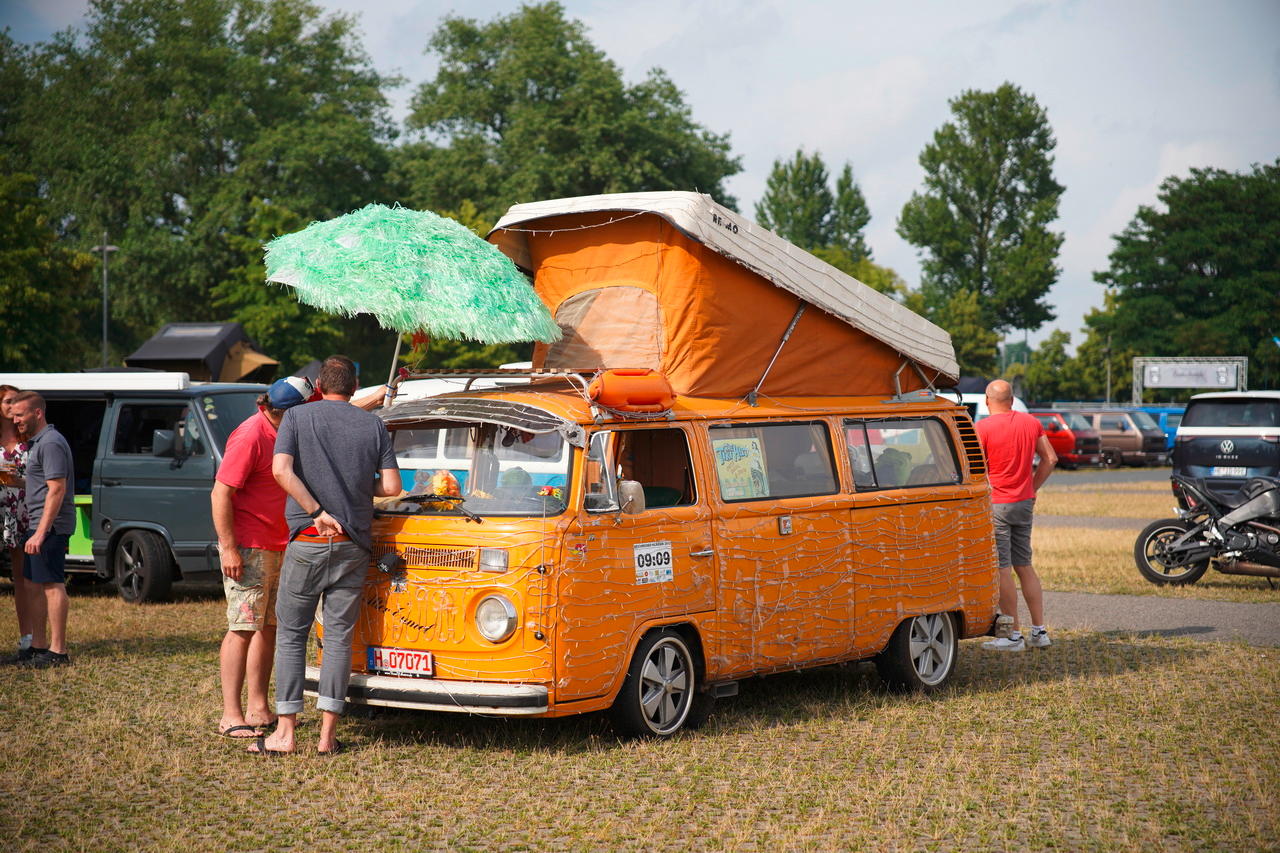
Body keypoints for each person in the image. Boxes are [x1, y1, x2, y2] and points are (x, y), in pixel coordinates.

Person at [249, 356, 399, 755]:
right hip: (353, 545)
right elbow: (391, 486)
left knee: (293, 635)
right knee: (338, 640)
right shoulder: (374, 424)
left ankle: (285, 733)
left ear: (319, 385)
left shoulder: (297, 419)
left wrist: (316, 511)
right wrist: (352, 485)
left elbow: (282, 471)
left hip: (310, 539)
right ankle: (327, 737)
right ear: (356, 385)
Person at [211, 376, 314, 738]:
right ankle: (230, 715)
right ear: (288, 412)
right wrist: (229, 548)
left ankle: (258, 708)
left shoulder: (283, 427)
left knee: (268, 626)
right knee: (242, 627)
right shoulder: (251, 435)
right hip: (251, 547)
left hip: (280, 544)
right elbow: (221, 493)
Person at [976, 380, 1057, 652]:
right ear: (1012, 400)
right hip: (1024, 502)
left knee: (1002, 567)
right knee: (1025, 564)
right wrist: (1032, 488)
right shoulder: (1031, 423)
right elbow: (1051, 458)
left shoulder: (982, 428)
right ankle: (1040, 631)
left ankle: (1012, 636)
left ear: (988, 401)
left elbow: (975, 470)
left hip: (997, 504)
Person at [8, 391, 75, 668]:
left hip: (49, 527)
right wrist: (17, 481)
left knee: (51, 584)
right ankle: (37, 647)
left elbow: (57, 489)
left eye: (20, 415)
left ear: (37, 413)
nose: (15, 421)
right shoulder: (38, 443)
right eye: (13, 416)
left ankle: (58, 652)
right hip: (36, 523)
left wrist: (41, 532)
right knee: (31, 584)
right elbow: (43, 484)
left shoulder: (51, 443)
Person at [1, 385, 33, 664]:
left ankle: (28, 639)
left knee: (23, 577)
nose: (13, 407)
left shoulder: (30, 438)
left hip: (22, 510)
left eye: (17, 402)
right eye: (9, 401)